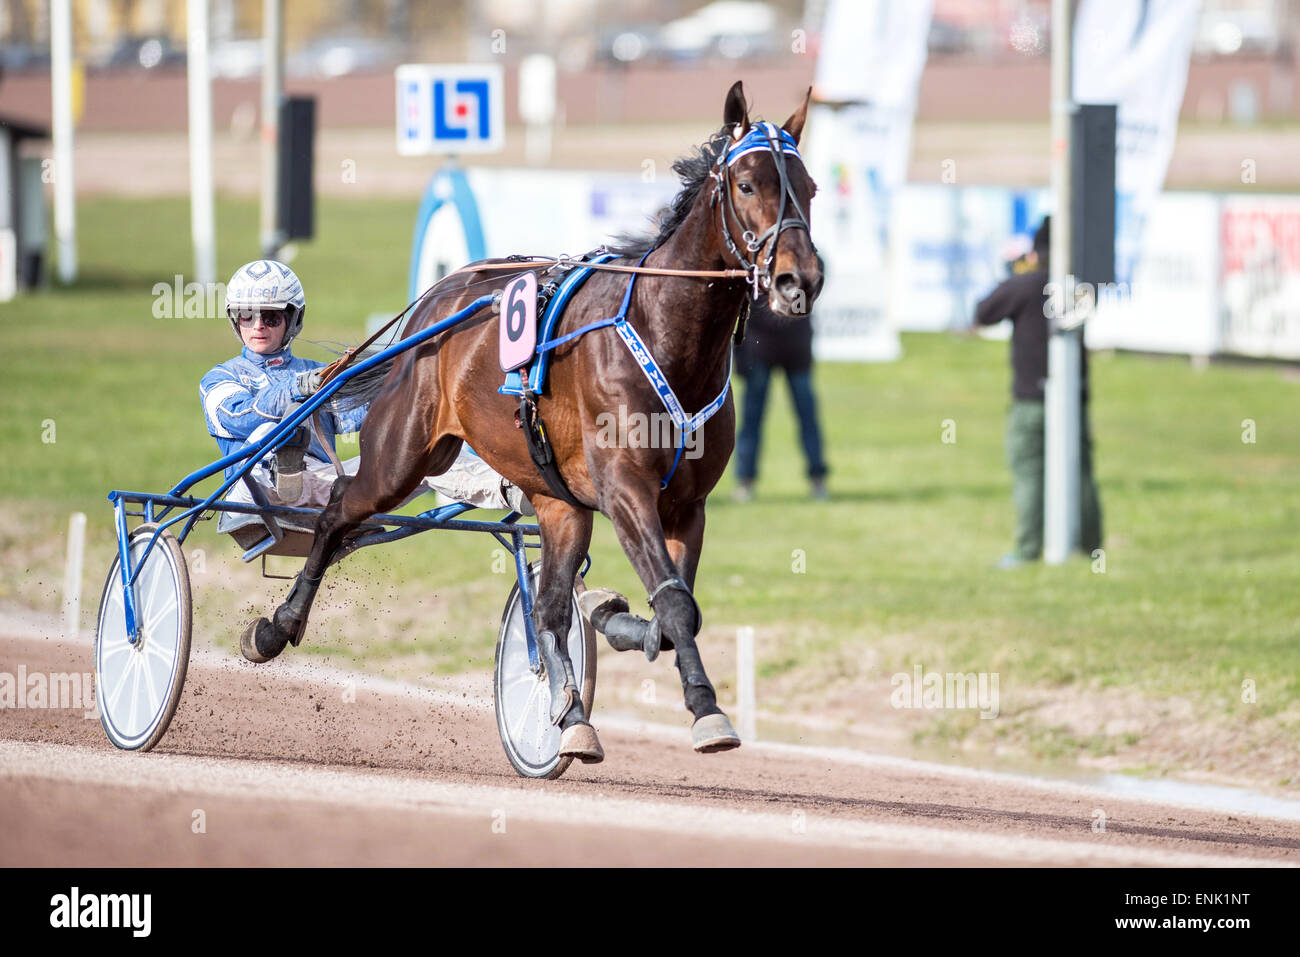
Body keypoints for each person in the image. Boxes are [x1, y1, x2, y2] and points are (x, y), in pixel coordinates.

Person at [200, 259, 530, 518]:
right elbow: (237, 417)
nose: (258, 325)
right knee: (265, 433)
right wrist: (296, 388)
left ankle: (511, 490)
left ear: (291, 320)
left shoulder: (316, 373)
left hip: (325, 482)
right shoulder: (219, 379)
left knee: (415, 450)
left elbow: (362, 414)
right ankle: (286, 466)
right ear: (235, 319)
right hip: (252, 490)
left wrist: (412, 383)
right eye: (247, 315)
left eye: (270, 317)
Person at [974, 217, 1101, 567]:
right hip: (1073, 396)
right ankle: (1093, 549)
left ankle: (1028, 550)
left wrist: (1015, 276)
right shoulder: (1078, 285)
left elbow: (983, 312)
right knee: (1081, 473)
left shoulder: (1026, 284)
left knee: (1029, 473)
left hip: (1030, 400)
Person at [732, 295, 829, 501]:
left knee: (807, 417)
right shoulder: (758, 267)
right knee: (751, 419)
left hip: (796, 350)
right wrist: (740, 353)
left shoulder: (805, 266)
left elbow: (815, 278)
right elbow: (740, 308)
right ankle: (745, 480)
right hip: (760, 350)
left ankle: (818, 478)